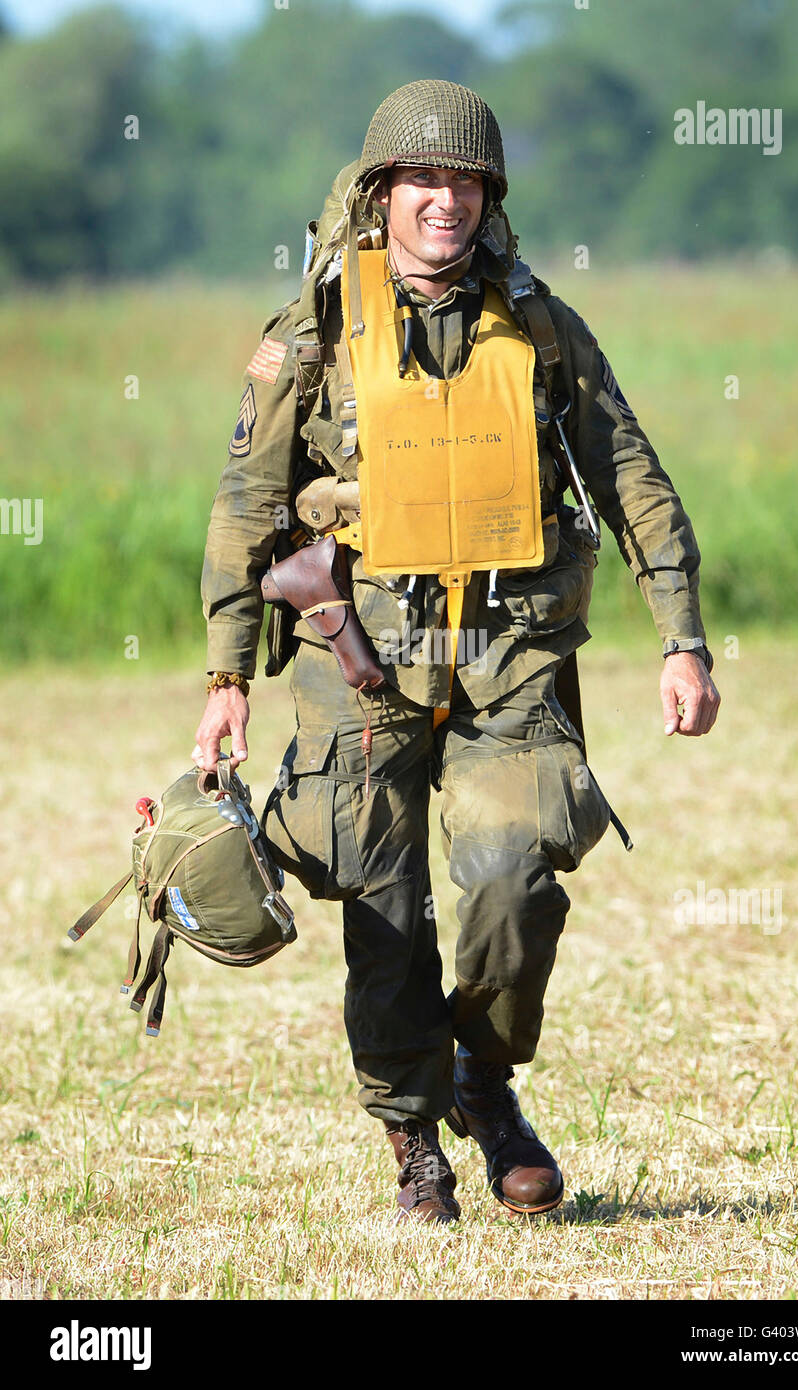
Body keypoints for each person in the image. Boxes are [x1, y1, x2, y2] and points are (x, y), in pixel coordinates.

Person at [194, 80, 720, 1225]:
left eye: (465, 179)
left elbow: (630, 477)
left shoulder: (537, 325)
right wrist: (228, 678)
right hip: (357, 655)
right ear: (381, 194)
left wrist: (681, 639)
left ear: (489, 196)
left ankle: (486, 1081)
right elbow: (246, 502)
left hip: (510, 650)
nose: (445, 200)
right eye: (421, 179)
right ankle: (410, 1139)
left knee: (508, 881)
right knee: (383, 912)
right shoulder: (312, 332)